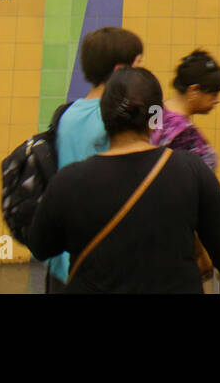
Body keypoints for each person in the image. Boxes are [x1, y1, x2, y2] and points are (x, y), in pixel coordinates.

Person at [28, 67, 220, 293]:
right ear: (156, 116)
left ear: (104, 115)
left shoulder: (69, 180)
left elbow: (41, 246)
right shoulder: (191, 170)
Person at [45, 26, 143, 291]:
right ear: (120, 70)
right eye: (138, 66)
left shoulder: (66, 114)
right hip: (103, 260)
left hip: (62, 257)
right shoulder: (117, 120)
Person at [151, 49, 220, 171]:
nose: (217, 100)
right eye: (213, 94)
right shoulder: (185, 133)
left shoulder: (155, 110)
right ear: (194, 90)